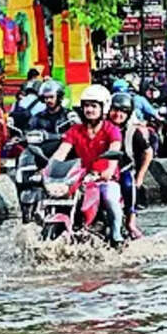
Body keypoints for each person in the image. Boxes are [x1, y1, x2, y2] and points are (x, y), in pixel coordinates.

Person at [50, 85, 124, 248]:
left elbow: (114, 150)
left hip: (104, 179)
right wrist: (48, 169)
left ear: (103, 108)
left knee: (110, 199)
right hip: (80, 178)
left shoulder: (112, 130)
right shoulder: (75, 130)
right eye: (86, 106)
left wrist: (107, 171)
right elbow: (61, 152)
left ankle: (117, 236)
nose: (89, 110)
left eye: (93, 106)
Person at [108, 92, 154, 240]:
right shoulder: (101, 129)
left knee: (129, 185)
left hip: (123, 170)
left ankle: (131, 223)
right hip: (102, 171)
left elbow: (148, 152)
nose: (118, 114)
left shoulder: (133, 132)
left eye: (123, 112)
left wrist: (140, 176)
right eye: (115, 110)